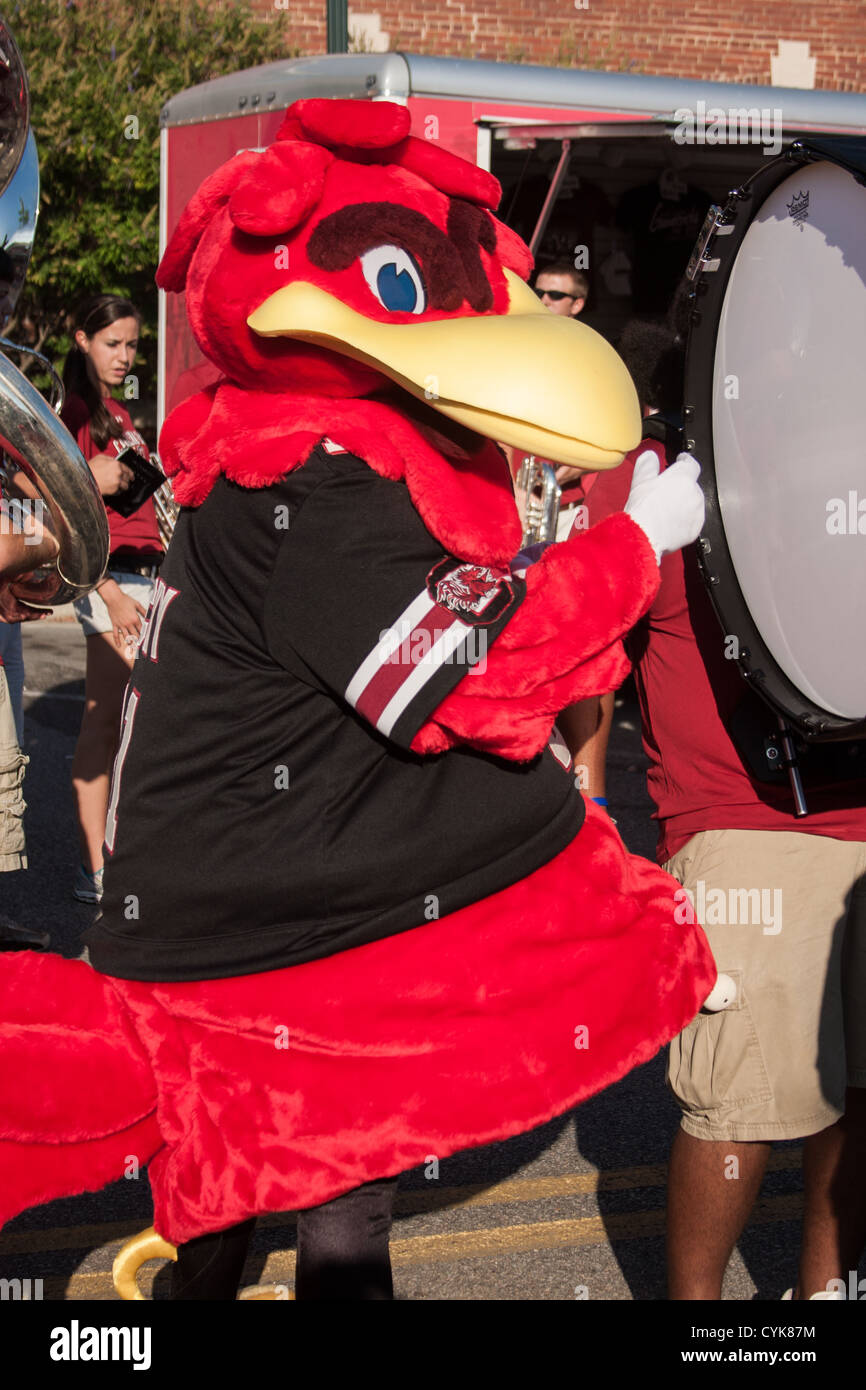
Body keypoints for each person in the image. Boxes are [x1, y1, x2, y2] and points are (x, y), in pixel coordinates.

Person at [563, 316, 866, 1301]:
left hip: (856, 817)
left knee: (851, 1097)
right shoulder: (655, 475)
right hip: (741, 826)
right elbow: (584, 649)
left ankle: (822, 1295)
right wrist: (587, 793)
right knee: (735, 1104)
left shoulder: (838, 456)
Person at [60, 294, 164, 905]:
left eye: (131, 345)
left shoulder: (117, 413)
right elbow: (48, 497)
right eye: (112, 344)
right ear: (81, 341)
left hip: (141, 576)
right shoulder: (75, 408)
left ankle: (112, 857)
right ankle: (92, 868)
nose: (125, 356)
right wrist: (106, 592)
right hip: (109, 579)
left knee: (127, 722)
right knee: (108, 721)